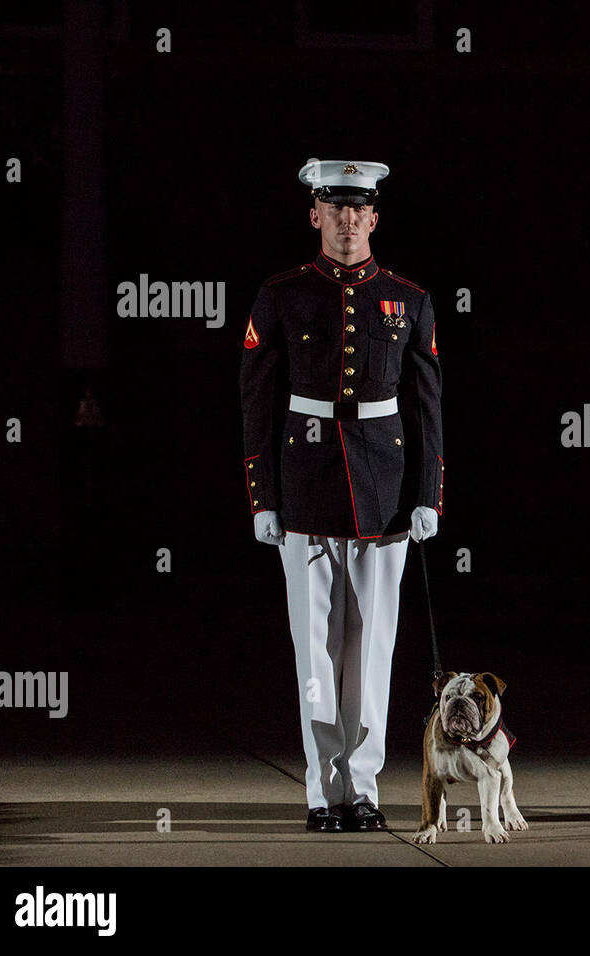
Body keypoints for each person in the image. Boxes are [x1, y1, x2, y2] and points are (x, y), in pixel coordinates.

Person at [240, 159, 444, 832]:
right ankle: (322, 792)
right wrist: (263, 497)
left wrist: (428, 494)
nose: (347, 220)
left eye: (359, 210)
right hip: (305, 485)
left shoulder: (408, 299)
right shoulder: (282, 294)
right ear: (315, 215)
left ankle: (362, 789)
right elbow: (256, 398)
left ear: (374, 218)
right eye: (336, 208)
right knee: (316, 654)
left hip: (385, 490)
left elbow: (427, 405)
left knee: (372, 650)